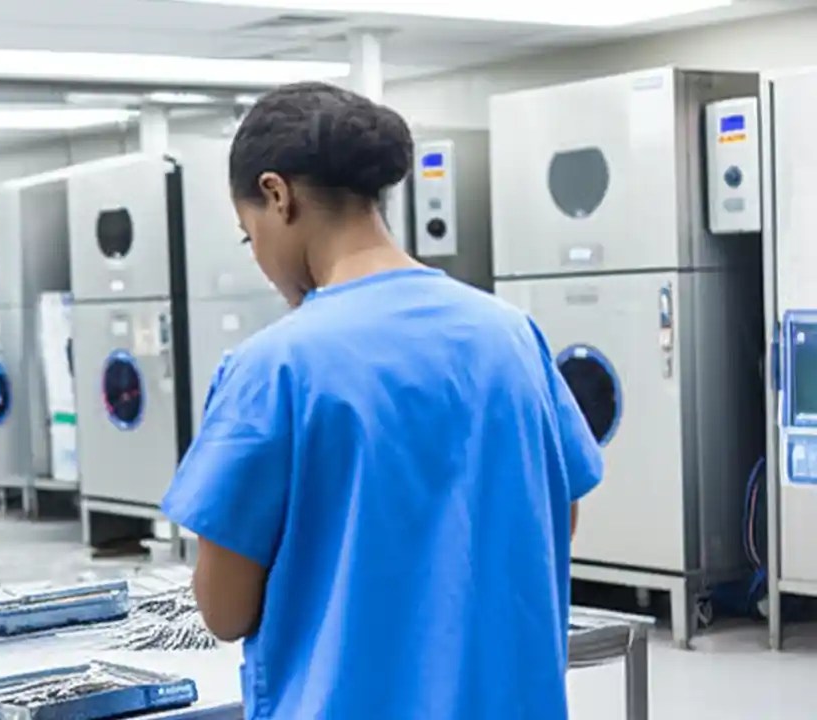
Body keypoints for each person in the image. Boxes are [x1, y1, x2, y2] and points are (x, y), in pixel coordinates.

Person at [161, 82, 603, 719]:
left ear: (276, 195)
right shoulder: (509, 335)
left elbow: (225, 610)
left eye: (247, 235)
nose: (257, 256)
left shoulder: (273, 366)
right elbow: (558, 519)